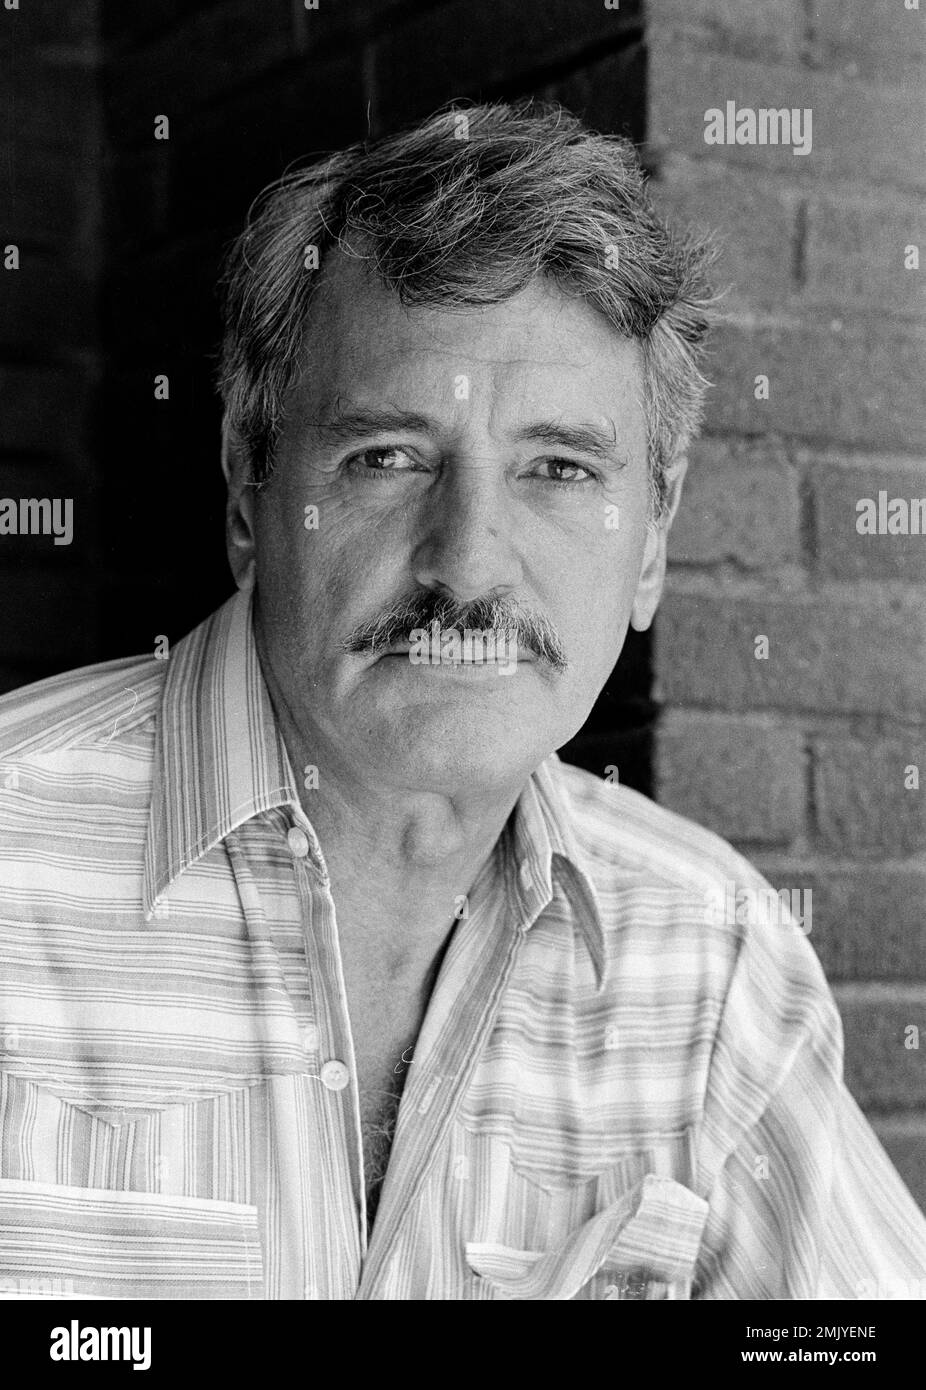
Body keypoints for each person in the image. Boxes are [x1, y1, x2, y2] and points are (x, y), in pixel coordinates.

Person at [0, 102, 923, 1301]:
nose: (470, 562)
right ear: (247, 488)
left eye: (558, 470)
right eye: (389, 457)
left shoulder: (708, 962)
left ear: (650, 542)